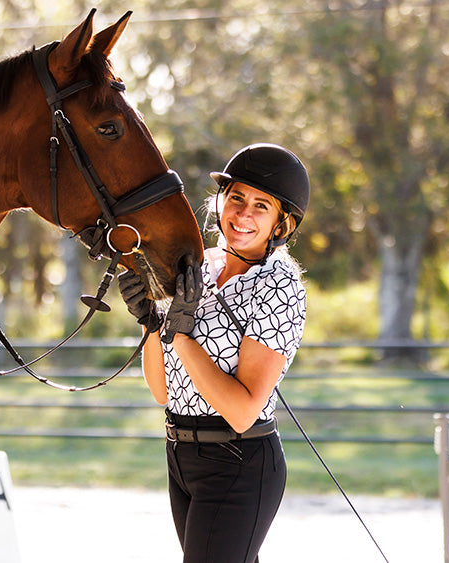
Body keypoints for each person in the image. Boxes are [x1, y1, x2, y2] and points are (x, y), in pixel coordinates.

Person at [118, 143, 309, 563]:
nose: (243, 214)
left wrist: (182, 338)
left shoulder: (279, 287)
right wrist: (153, 325)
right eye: (236, 197)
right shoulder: (199, 267)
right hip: (181, 456)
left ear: (282, 224)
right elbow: (164, 392)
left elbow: (241, 411)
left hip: (238, 465)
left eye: (262, 206)